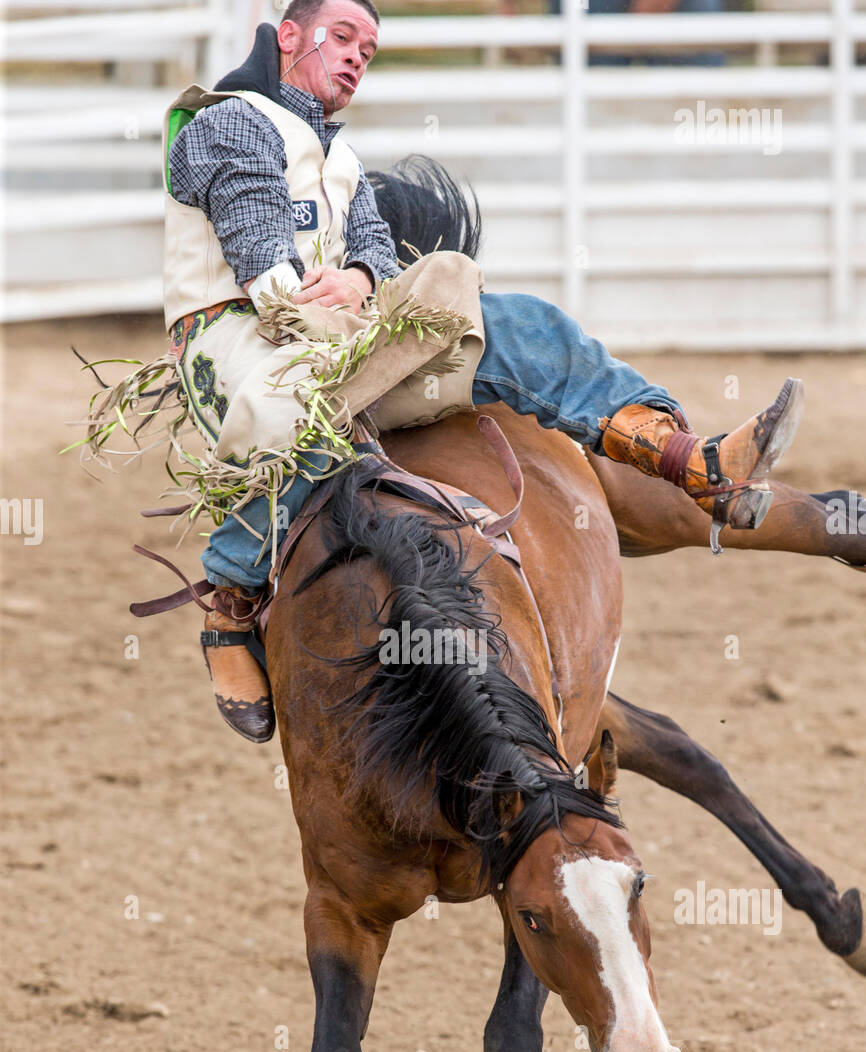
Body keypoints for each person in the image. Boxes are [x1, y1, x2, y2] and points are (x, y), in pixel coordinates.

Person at [148, 0, 803, 743]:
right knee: (287, 413)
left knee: (514, 322)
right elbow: (258, 252)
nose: (358, 54)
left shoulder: (340, 157)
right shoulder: (229, 122)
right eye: (343, 37)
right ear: (287, 36)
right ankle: (230, 596)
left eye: (369, 45)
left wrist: (363, 281)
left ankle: (685, 455)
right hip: (236, 342)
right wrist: (316, 297)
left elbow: (364, 244)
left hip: (327, 336)